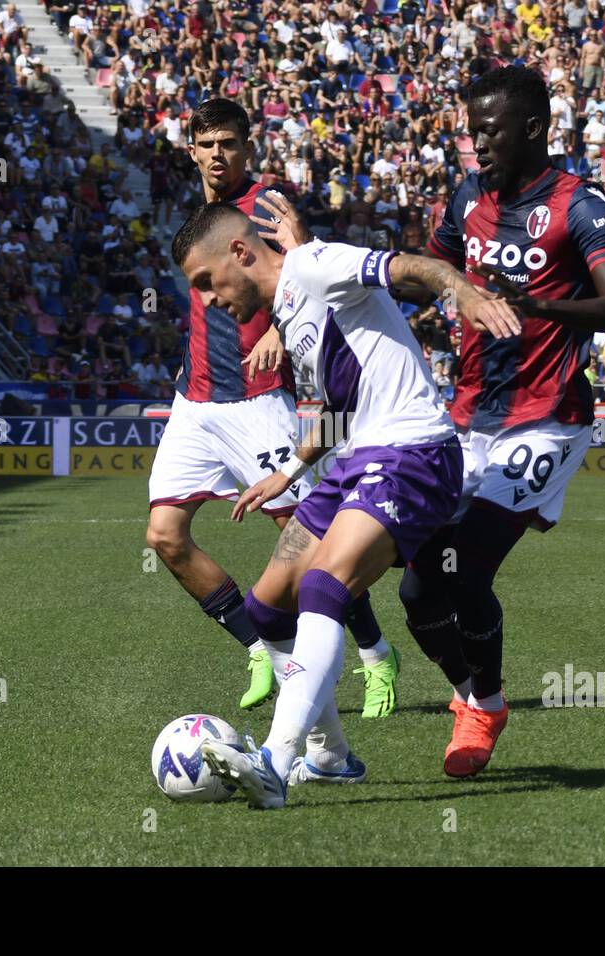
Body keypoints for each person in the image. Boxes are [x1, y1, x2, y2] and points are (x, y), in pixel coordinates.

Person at [172, 201, 519, 807]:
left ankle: (275, 764)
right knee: (269, 607)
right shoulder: (290, 306)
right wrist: (291, 471)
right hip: (355, 460)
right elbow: (340, 405)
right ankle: (330, 759)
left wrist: (461, 289)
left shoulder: (311, 263)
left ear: (239, 251)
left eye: (205, 283)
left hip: (412, 453)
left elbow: (409, 267)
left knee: (326, 585)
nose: (206, 301)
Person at [400, 66, 605, 778]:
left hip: (548, 417)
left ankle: (486, 706)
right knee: (418, 586)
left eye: (491, 130)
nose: (478, 143)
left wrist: (536, 306)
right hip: (467, 415)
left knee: (468, 570)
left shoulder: (581, 207)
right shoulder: (468, 196)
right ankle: (471, 691)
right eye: (472, 129)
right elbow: (431, 275)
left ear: (533, 130)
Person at [144, 99, 396, 718]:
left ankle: (375, 654)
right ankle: (258, 646)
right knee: (164, 537)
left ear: (246, 147)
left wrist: (283, 329)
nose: (217, 154)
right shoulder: (197, 217)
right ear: (193, 151)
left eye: (228, 143)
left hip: (259, 403)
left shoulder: (269, 206)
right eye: (206, 144)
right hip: (194, 401)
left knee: (305, 540)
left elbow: (313, 275)